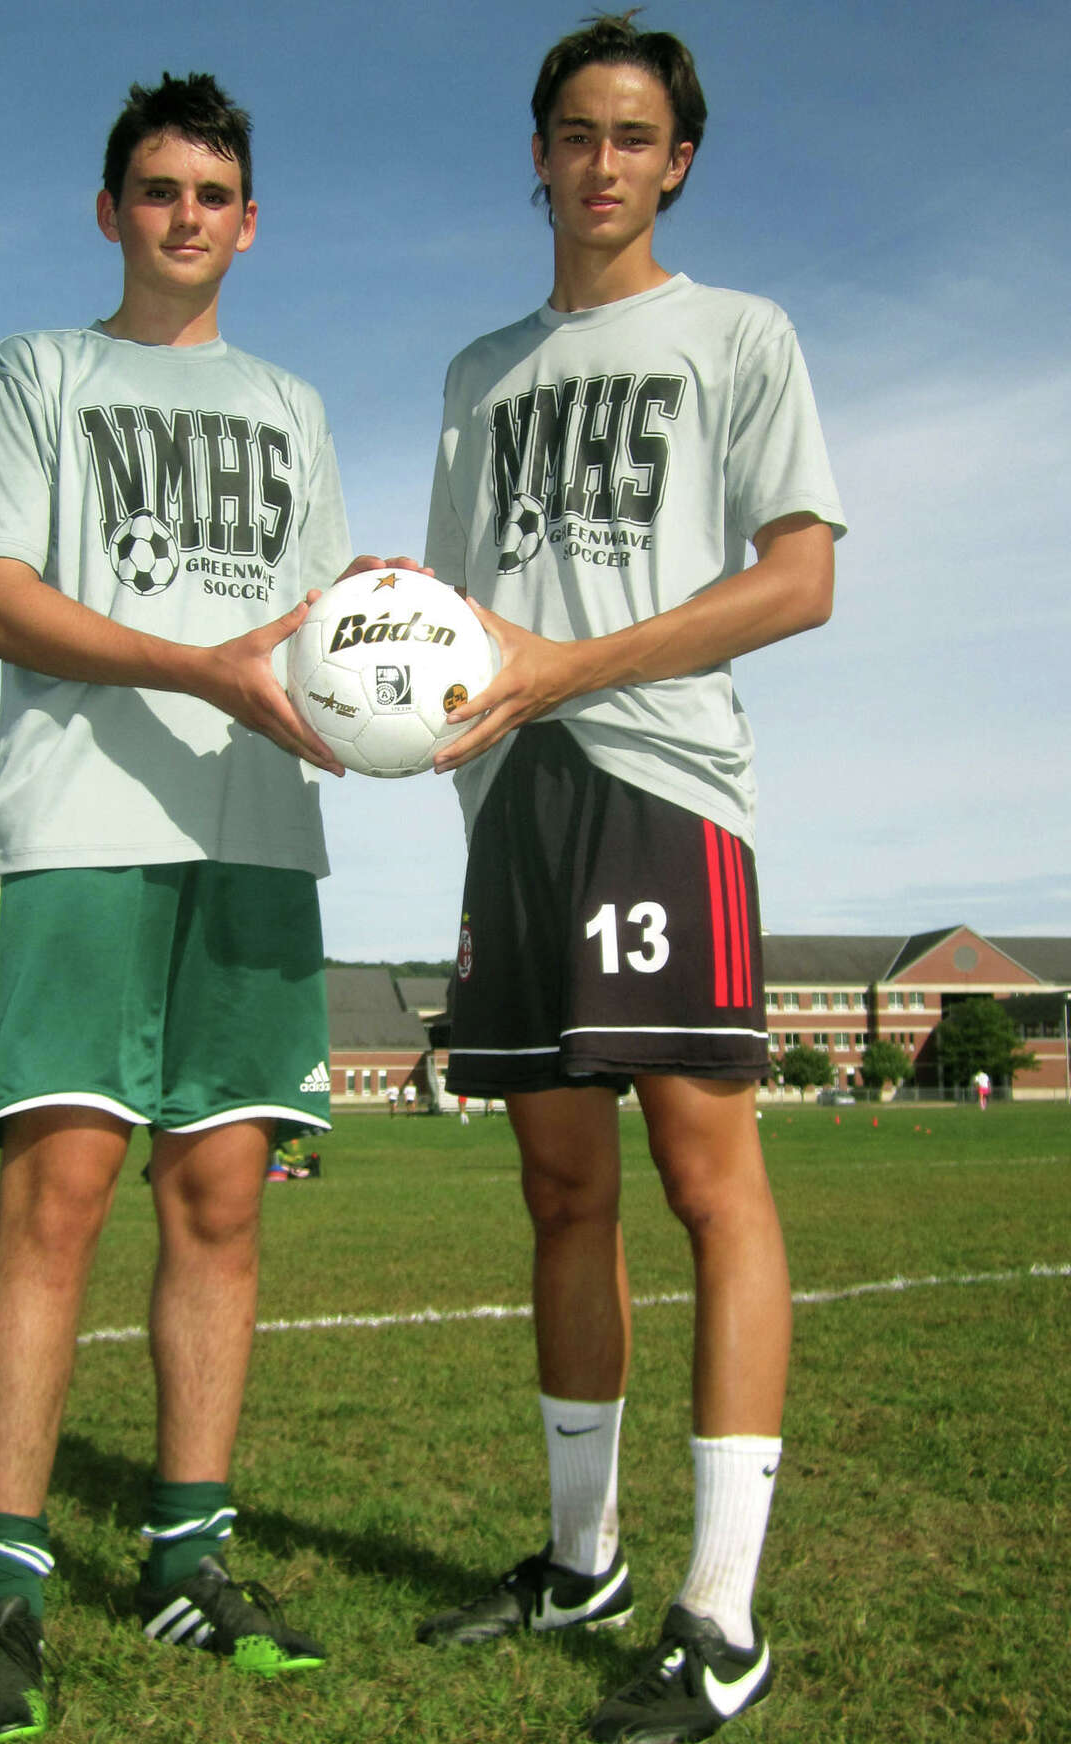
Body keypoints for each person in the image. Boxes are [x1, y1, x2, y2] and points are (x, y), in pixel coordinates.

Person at [0, 71, 419, 1742]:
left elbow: (323, 627)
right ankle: (5, 1593)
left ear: (250, 220)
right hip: (75, 829)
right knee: (57, 1196)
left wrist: (385, 672)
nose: (185, 215)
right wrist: (197, 661)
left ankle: (188, 1562)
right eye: (156, 189)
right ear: (110, 210)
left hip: (260, 839)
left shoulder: (292, 403)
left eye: (214, 192)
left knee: (222, 1198)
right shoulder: (38, 374)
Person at [417, 16, 844, 1742]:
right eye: (575, 133)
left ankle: (720, 1618)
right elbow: (463, 630)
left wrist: (570, 665)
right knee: (560, 1192)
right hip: (516, 805)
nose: (602, 162)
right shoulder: (477, 371)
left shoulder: (736, 335)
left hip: (663, 785)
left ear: (677, 162)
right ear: (536, 153)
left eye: (636, 136)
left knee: (706, 1176)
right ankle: (581, 1557)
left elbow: (799, 576)